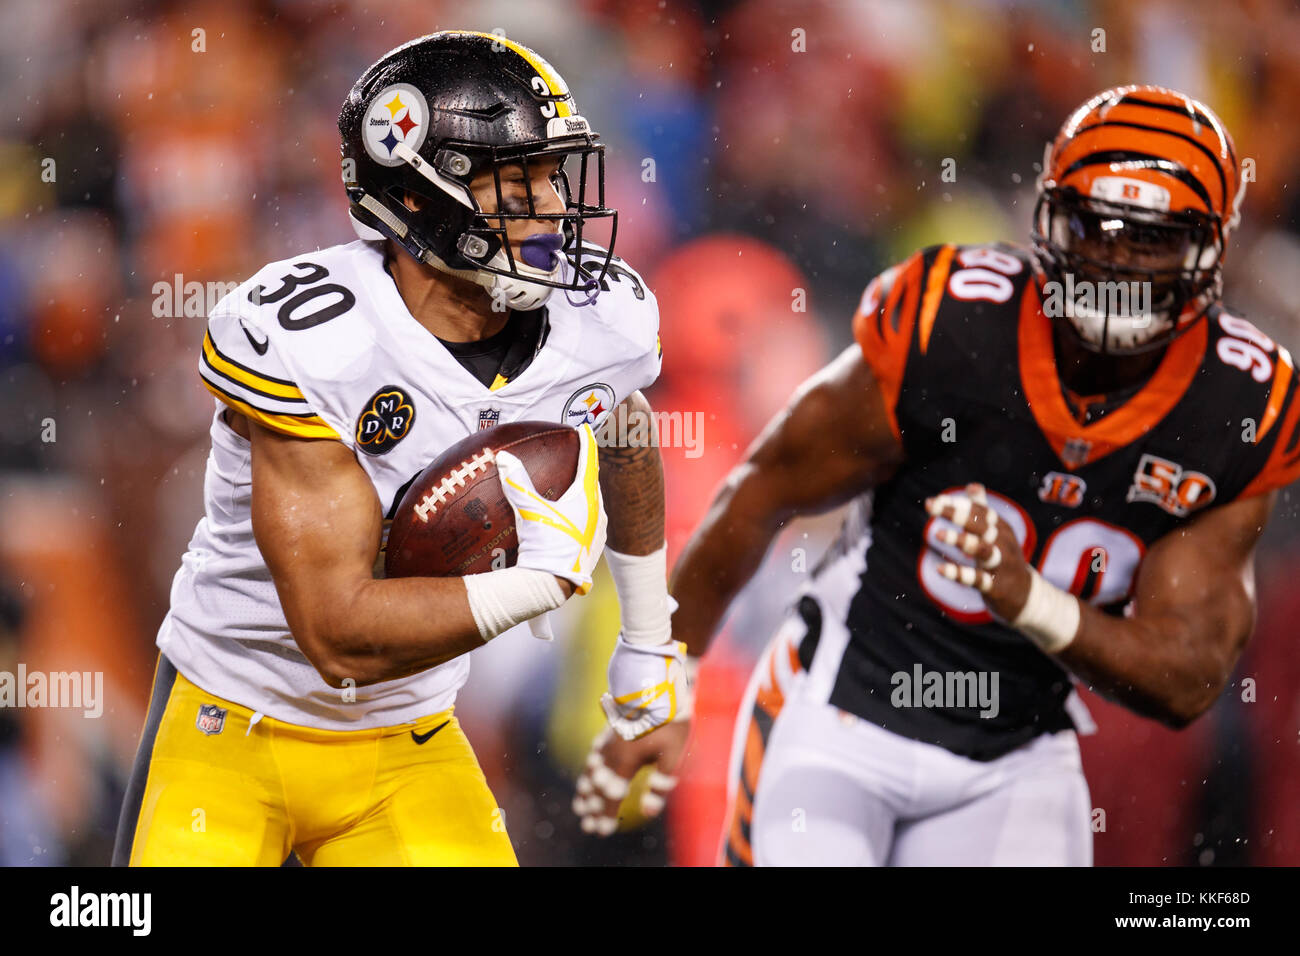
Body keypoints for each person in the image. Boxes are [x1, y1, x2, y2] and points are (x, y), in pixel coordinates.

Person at [577, 85, 1300, 865]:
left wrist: (1033, 603)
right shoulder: (952, 328)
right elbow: (763, 490)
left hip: (1017, 753)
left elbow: (1184, 678)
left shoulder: (1239, 404)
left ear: (1209, 251)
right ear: (1051, 221)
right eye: (1095, 227)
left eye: (1151, 240)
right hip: (844, 709)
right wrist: (660, 690)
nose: (1114, 262)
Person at [113, 30, 681, 867]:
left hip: (404, 739)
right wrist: (533, 587)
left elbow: (623, 425)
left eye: (553, 174)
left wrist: (646, 638)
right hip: (235, 721)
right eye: (515, 180)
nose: (553, 205)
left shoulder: (602, 318)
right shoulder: (317, 340)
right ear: (417, 196)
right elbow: (335, 636)